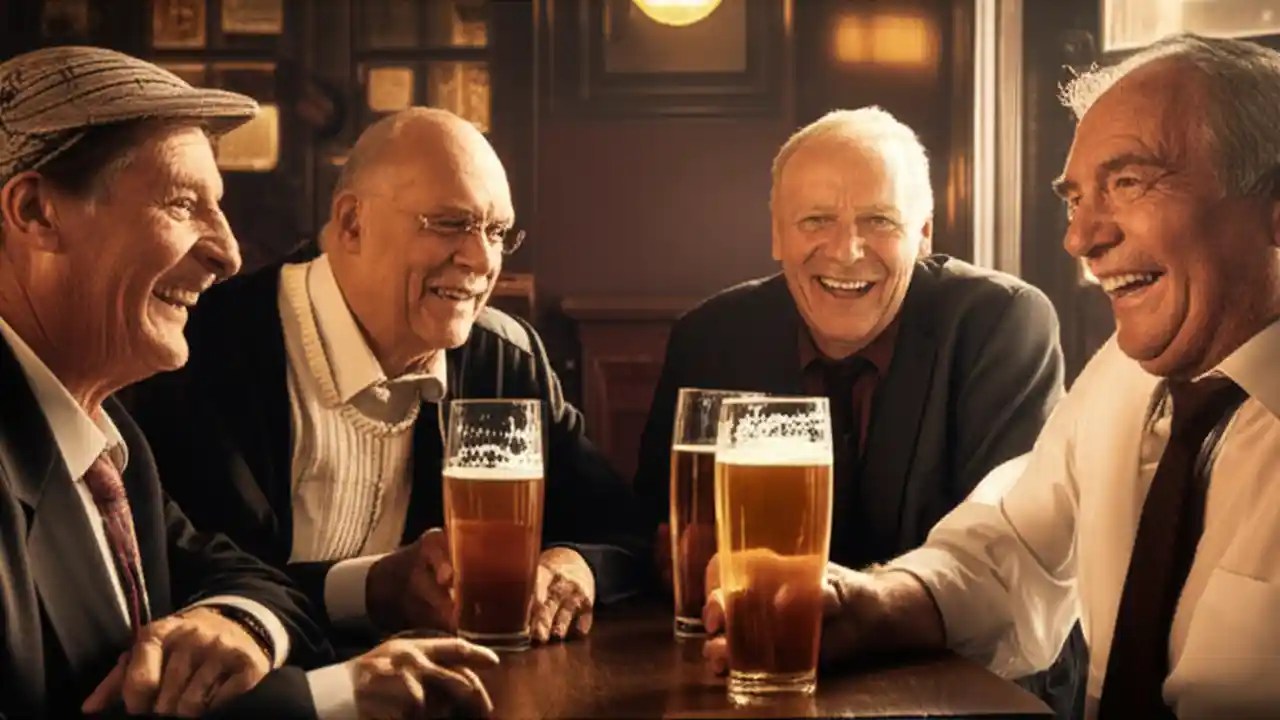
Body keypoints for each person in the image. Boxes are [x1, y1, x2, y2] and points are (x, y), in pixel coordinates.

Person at [705, 33, 1280, 719]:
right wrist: (875, 604)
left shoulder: (1011, 324)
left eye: (1128, 182)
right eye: (1076, 198)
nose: (1081, 237)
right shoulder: (1125, 379)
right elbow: (1013, 550)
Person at [0, 45, 502, 719]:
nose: (227, 252)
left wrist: (238, 624)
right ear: (36, 212)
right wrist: (331, 696)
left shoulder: (106, 437)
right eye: (183, 203)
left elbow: (243, 579)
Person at [126, 106, 649, 647]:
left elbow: (626, 531)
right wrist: (368, 590)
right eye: (450, 224)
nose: (480, 258)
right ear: (352, 223)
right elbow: (176, 575)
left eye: (497, 232)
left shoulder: (505, 361)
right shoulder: (202, 344)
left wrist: (576, 565)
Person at [635, 107, 1080, 713]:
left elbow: (1008, 566)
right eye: (816, 219)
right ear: (777, 234)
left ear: (924, 235)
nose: (846, 251)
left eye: (879, 221)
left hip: (961, 690)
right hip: (755, 683)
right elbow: (651, 538)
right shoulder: (710, 337)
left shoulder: (999, 324)